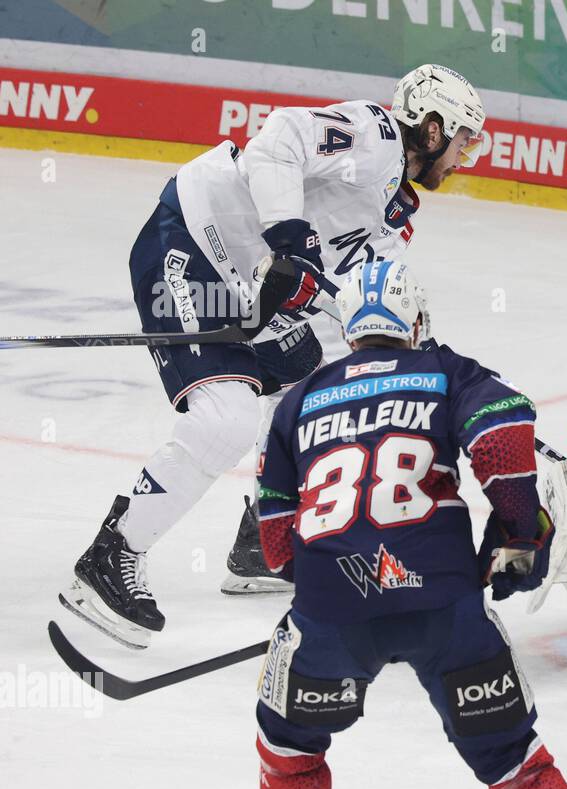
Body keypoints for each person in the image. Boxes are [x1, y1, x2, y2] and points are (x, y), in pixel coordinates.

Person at [63, 64, 485, 646]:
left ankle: (260, 539)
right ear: (433, 130)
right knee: (225, 420)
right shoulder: (374, 133)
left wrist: (423, 363)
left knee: (322, 388)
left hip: (247, 284)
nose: (470, 155)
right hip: (194, 239)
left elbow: (360, 308)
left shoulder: (394, 216)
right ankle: (110, 556)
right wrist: (290, 239)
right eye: (465, 138)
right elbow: (280, 138)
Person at [252, 259, 567, 789]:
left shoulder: (300, 401)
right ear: (416, 320)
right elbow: (502, 431)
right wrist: (519, 532)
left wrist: (339, 590)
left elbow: (277, 548)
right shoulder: (444, 370)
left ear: (347, 329)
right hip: (446, 615)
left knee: (288, 747)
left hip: (331, 618)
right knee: (516, 765)